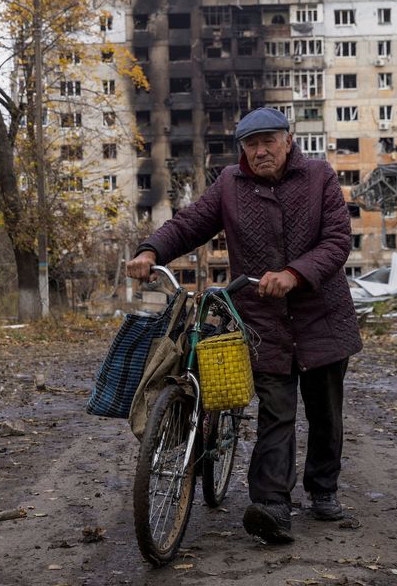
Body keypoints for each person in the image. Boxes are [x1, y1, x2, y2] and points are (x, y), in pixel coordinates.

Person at [126, 107, 363, 544]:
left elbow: (336, 242)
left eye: (268, 141)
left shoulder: (319, 177)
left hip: (321, 316)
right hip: (262, 321)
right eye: (250, 145)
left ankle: (323, 487)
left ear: (288, 140)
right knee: (277, 412)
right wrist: (151, 251)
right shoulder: (230, 186)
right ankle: (272, 505)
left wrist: (294, 273)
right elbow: (190, 223)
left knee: (325, 412)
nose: (259, 151)